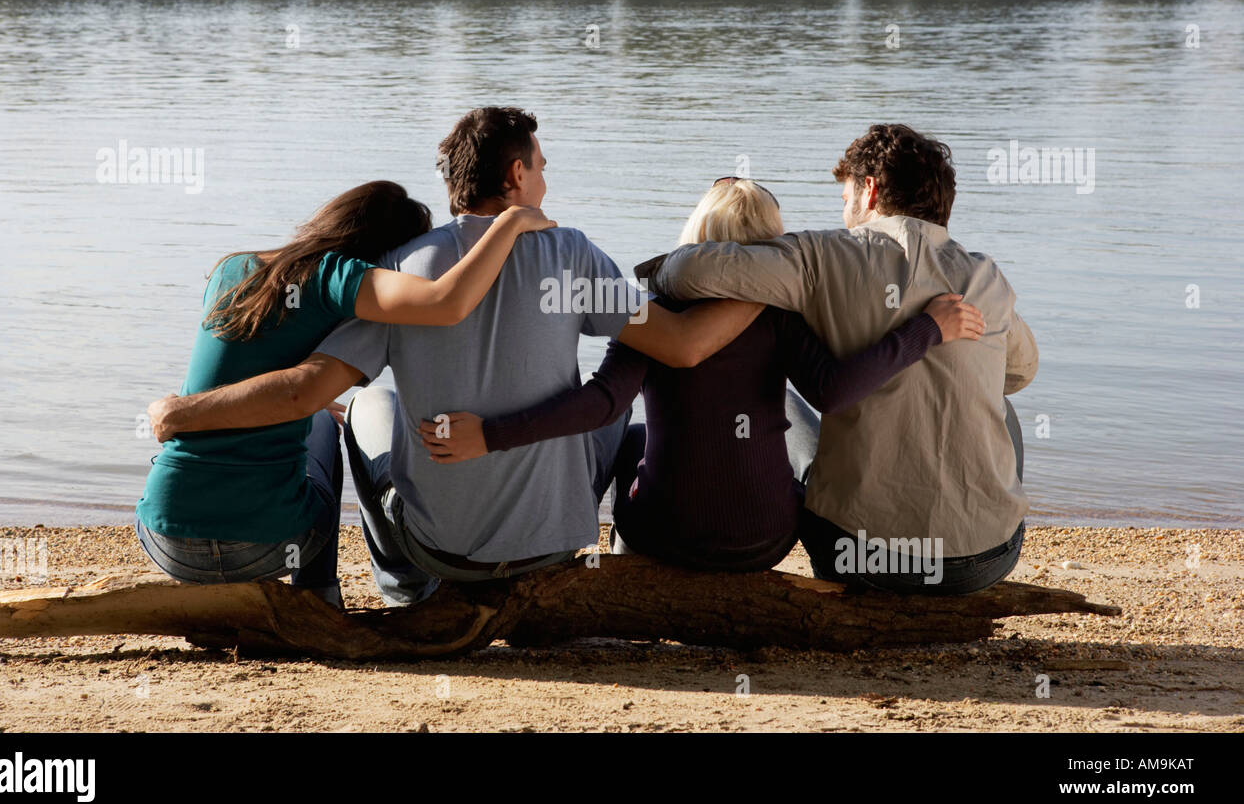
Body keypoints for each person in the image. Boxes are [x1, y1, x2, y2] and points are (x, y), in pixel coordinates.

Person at [147, 108, 762, 606]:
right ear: (517, 176)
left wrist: (185, 411)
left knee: (364, 407)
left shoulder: (401, 265)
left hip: (442, 550)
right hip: (552, 545)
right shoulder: (573, 254)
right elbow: (683, 346)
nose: (547, 183)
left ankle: (404, 589)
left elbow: (308, 386)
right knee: (616, 425)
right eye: (542, 169)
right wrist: (770, 282)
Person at [418, 178, 986, 573]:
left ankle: (604, 551)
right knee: (792, 421)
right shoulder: (783, 313)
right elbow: (835, 391)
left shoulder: (656, 309)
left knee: (627, 434)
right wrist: (924, 331)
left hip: (666, 538)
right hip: (765, 539)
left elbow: (602, 404)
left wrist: (489, 435)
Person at [639, 125, 1039, 595]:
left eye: (844, 195)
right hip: (987, 559)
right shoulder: (987, 277)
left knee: (790, 406)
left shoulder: (821, 258)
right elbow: (1020, 371)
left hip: (864, 558)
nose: (844, 210)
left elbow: (688, 270)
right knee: (999, 402)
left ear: (868, 190)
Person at [138, 180, 557, 608]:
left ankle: (304, 588)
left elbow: (239, 369)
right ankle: (316, 592)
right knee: (322, 420)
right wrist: (508, 225)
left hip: (166, 540)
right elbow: (445, 301)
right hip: (261, 546)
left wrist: (183, 412)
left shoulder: (233, 267)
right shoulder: (334, 275)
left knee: (318, 411)